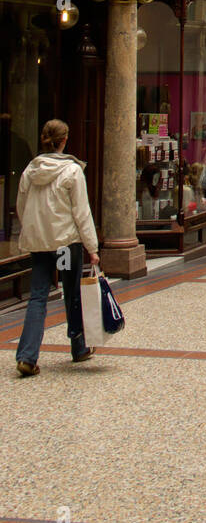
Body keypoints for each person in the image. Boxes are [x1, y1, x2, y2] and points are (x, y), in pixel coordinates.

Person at [15, 118, 99, 377]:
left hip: (40, 244)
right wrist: (92, 247)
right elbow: (81, 212)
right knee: (70, 291)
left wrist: (32, 229)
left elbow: (21, 205)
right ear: (64, 140)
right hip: (64, 245)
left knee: (38, 295)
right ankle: (79, 347)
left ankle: (27, 355)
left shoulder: (31, 170)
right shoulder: (72, 171)